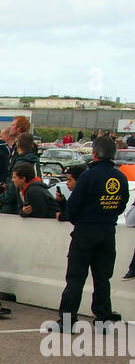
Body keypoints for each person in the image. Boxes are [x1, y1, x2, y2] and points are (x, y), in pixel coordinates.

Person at [56, 135, 130, 328]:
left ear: (94, 153)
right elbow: (122, 205)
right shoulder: (120, 177)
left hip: (85, 232)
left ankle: (67, 321)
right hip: (107, 232)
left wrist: (78, 218)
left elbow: (73, 208)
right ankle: (103, 318)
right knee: (102, 278)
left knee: (75, 278)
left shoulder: (88, 176)